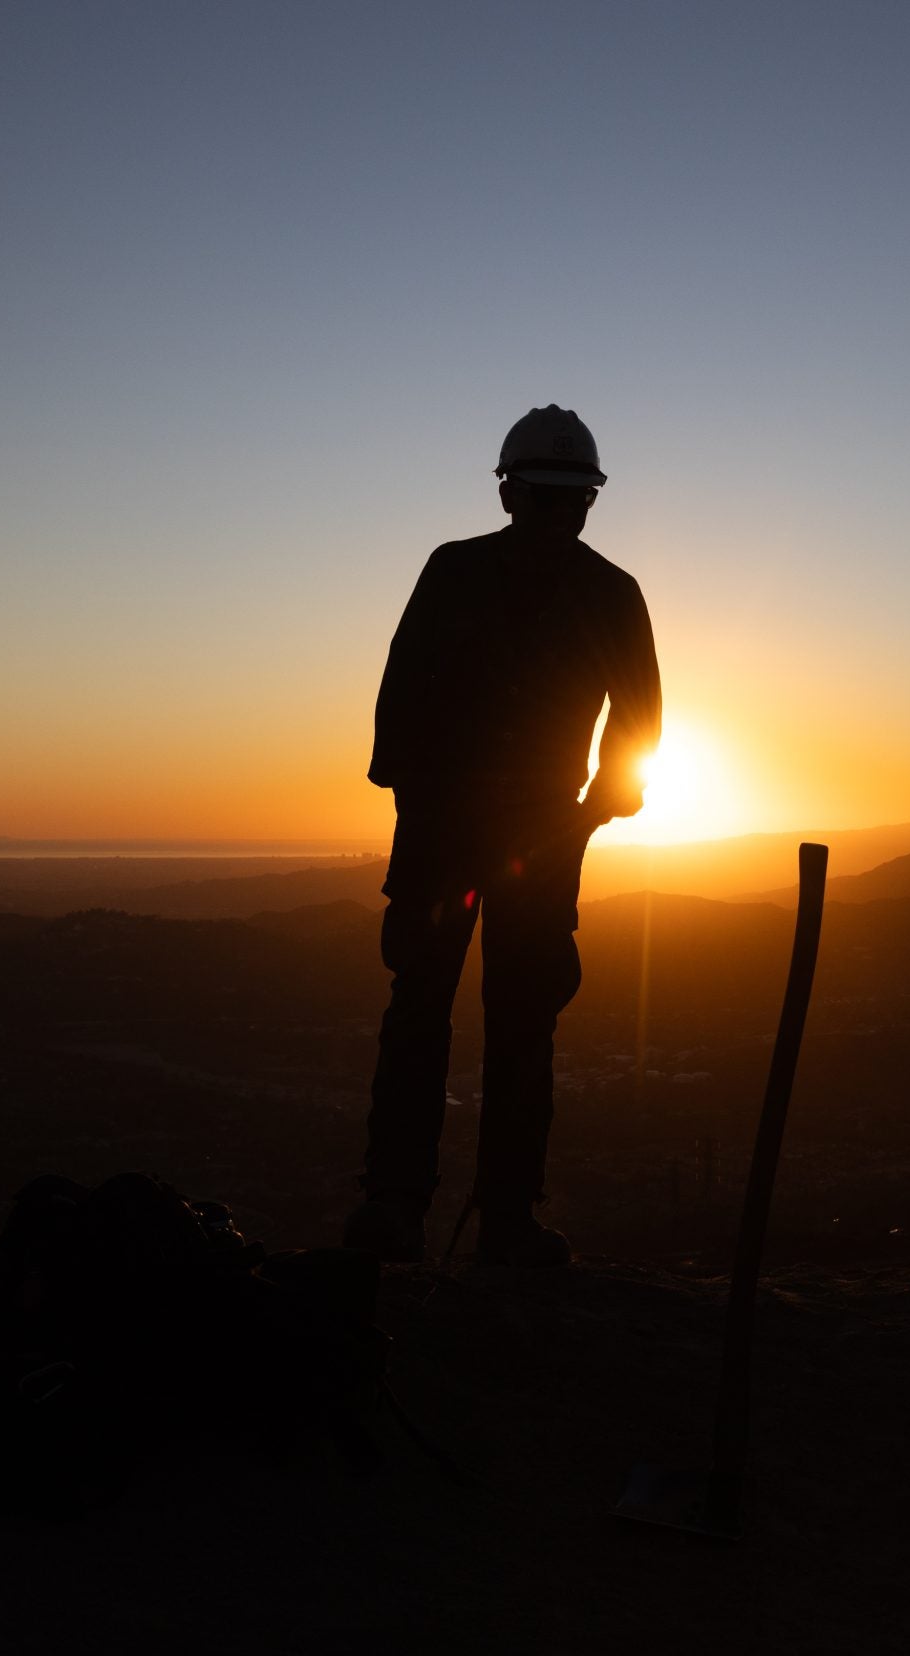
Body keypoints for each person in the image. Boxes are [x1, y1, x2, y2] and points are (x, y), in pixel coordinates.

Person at [344, 407, 662, 1267]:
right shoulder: (595, 588)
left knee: (455, 1016)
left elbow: (402, 693)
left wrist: (589, 807)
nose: (564, 512)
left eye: (571, 498)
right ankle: (471, 1214)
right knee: (481, 1018)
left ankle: (435, 1208)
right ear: (519, 493)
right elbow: (638, 724)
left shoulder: (471, 572)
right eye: (556, 497)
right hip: (491, 832)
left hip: (482, 834)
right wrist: (595, 805)